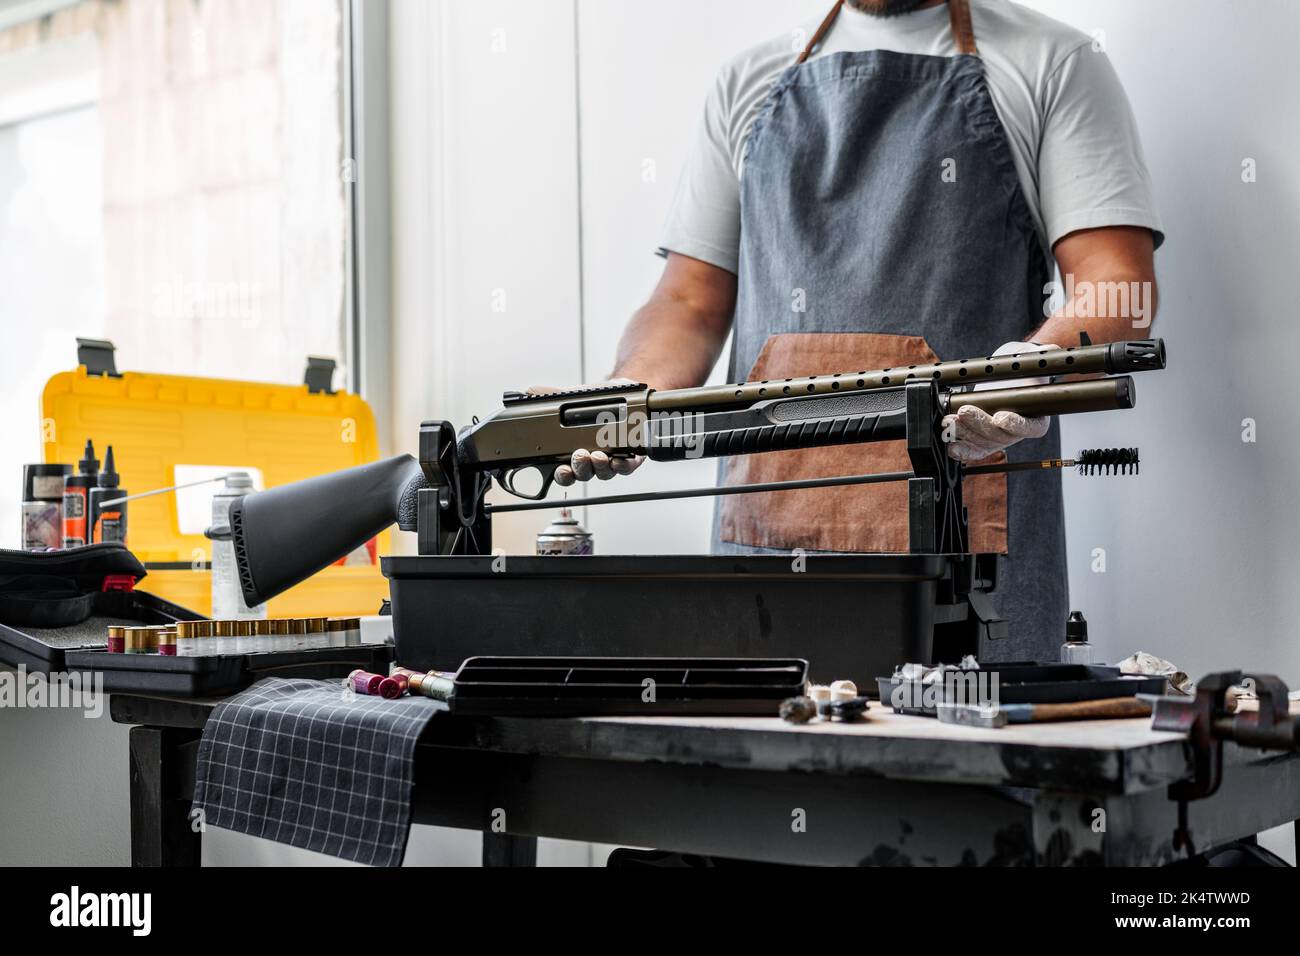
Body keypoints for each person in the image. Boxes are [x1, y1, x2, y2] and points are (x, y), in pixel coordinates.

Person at [554, 0, 1161, 658]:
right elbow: (687, 302)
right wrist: (630, 394)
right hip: (766, 562)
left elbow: (1117, 284)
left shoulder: (1053, 62)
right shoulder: (746, 80)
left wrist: (1029, 372)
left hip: (966, 567)